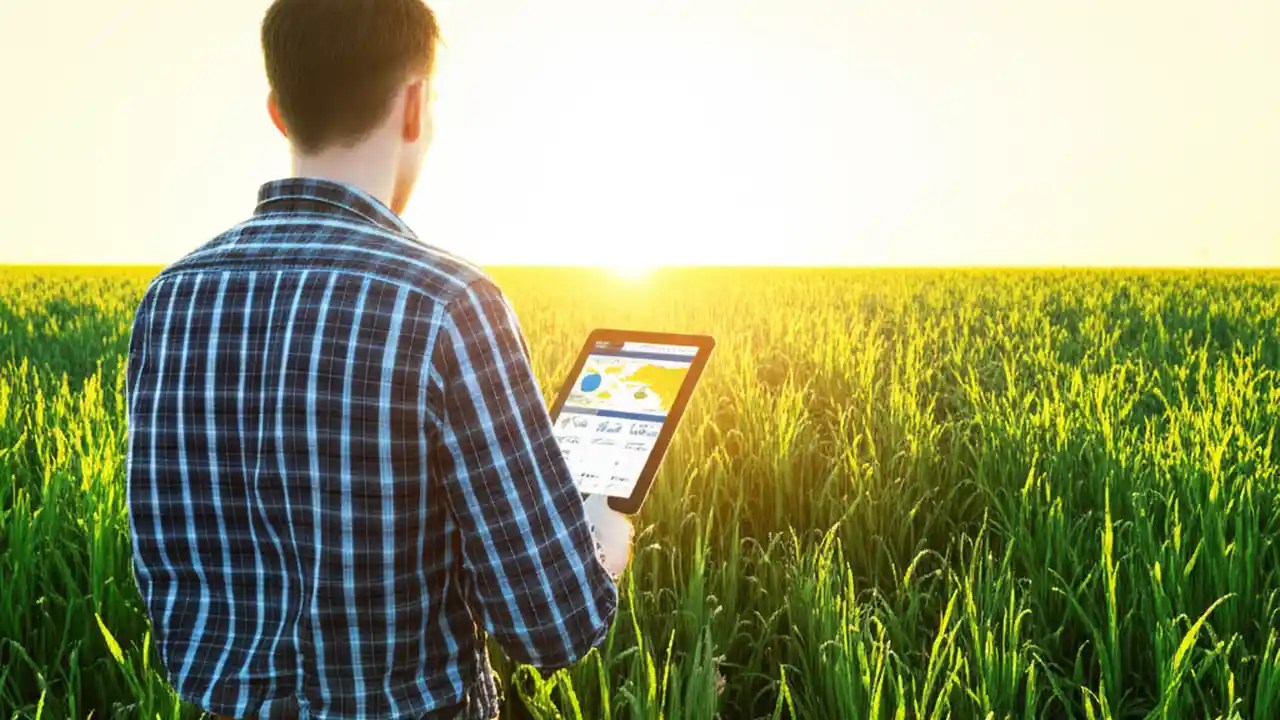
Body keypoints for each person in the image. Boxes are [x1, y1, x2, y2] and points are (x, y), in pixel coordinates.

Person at [123, 1, 633, 718]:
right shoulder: (449, 304)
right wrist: (600, 544)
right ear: (416, 105)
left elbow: (167, 568)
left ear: (279, 110)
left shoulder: (169, 302)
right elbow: (552, 625)